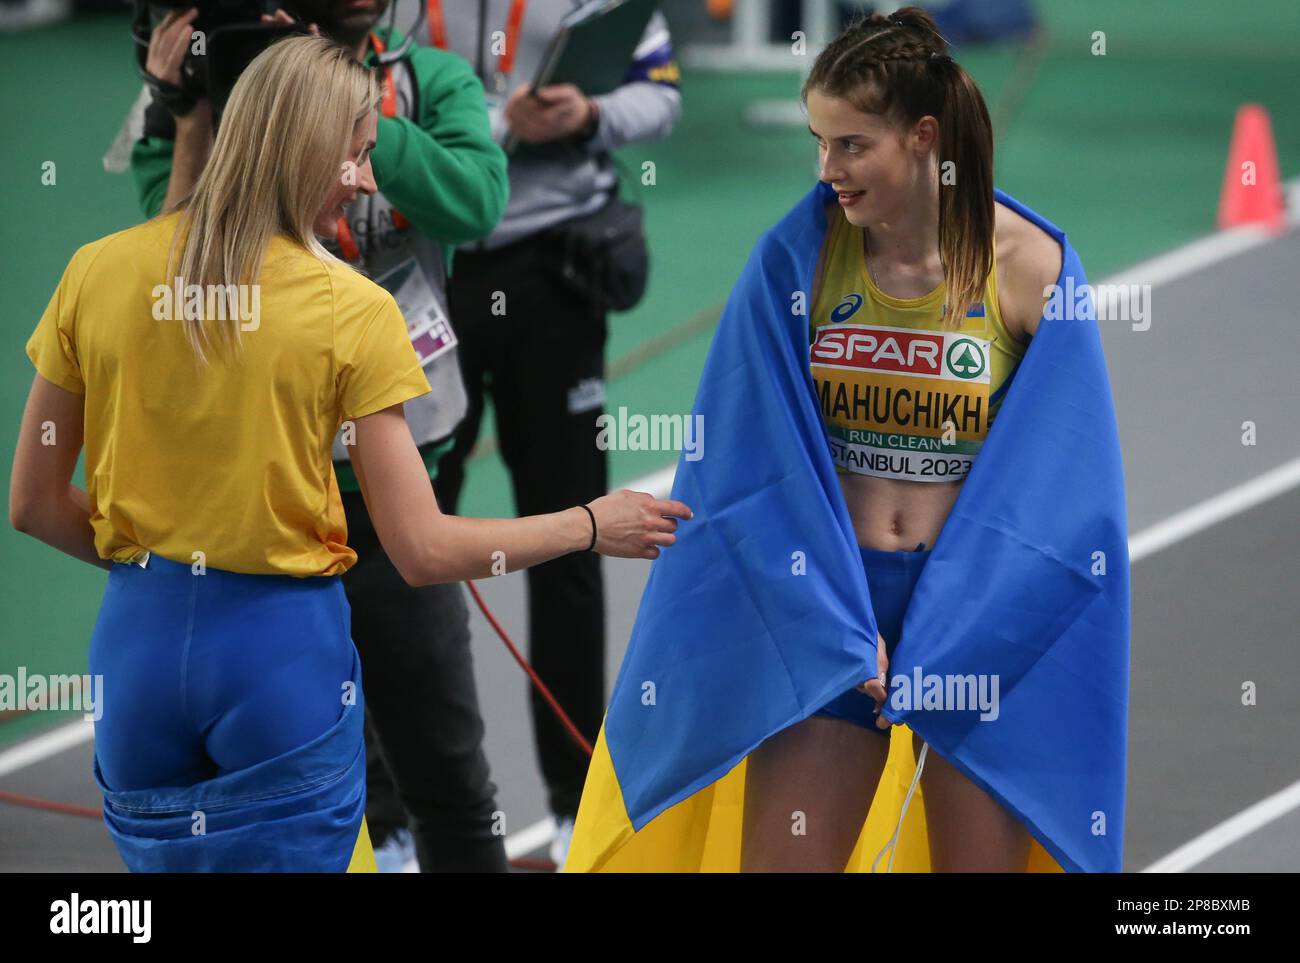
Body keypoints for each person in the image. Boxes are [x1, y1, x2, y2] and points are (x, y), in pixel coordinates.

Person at [10, 33, 691, 872]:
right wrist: (589, 523)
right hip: (277, 655)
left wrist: (151, 568)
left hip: (134, 656)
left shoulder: (95, 272)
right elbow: (423, 549)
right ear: (306, 155)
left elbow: (35, 503)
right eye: (360, 157)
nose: (369, 180)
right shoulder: (354, 309)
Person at [565, 7, 1128, 874]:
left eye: (851, 145)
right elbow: (743, 471)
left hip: (978, 619)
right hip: (827, 605)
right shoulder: (798, 264)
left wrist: (961, 629)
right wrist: (834, 623)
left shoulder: (1034, 270)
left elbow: (1066, 500)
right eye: (819, 144)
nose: (827, 171)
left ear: (922, 137)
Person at [131, 0, 518, 872]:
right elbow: (166, 269)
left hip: (394, 491)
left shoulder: (429, 82)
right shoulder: (214, 91)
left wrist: (351, 110)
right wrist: (197, 110)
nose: (352, 176)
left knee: (450, 774)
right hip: (257, 513)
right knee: (293, 794)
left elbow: (479, 201)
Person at [430, 0, 682, 865]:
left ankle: (580, 808)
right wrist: (505, 122)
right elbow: (367, 116)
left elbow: (662, 93)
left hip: (557, 278)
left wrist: (592, 114)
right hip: (437, 273)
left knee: (576, 540)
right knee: (407, 548)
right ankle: (395, 819)